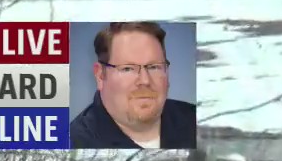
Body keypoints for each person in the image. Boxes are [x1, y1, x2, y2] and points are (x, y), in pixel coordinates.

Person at [69, 21, 198, 150]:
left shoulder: (195, 120)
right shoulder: (74, 144)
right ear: (100, 76)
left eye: (154, 67)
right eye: (128, 69)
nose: (145, 81)